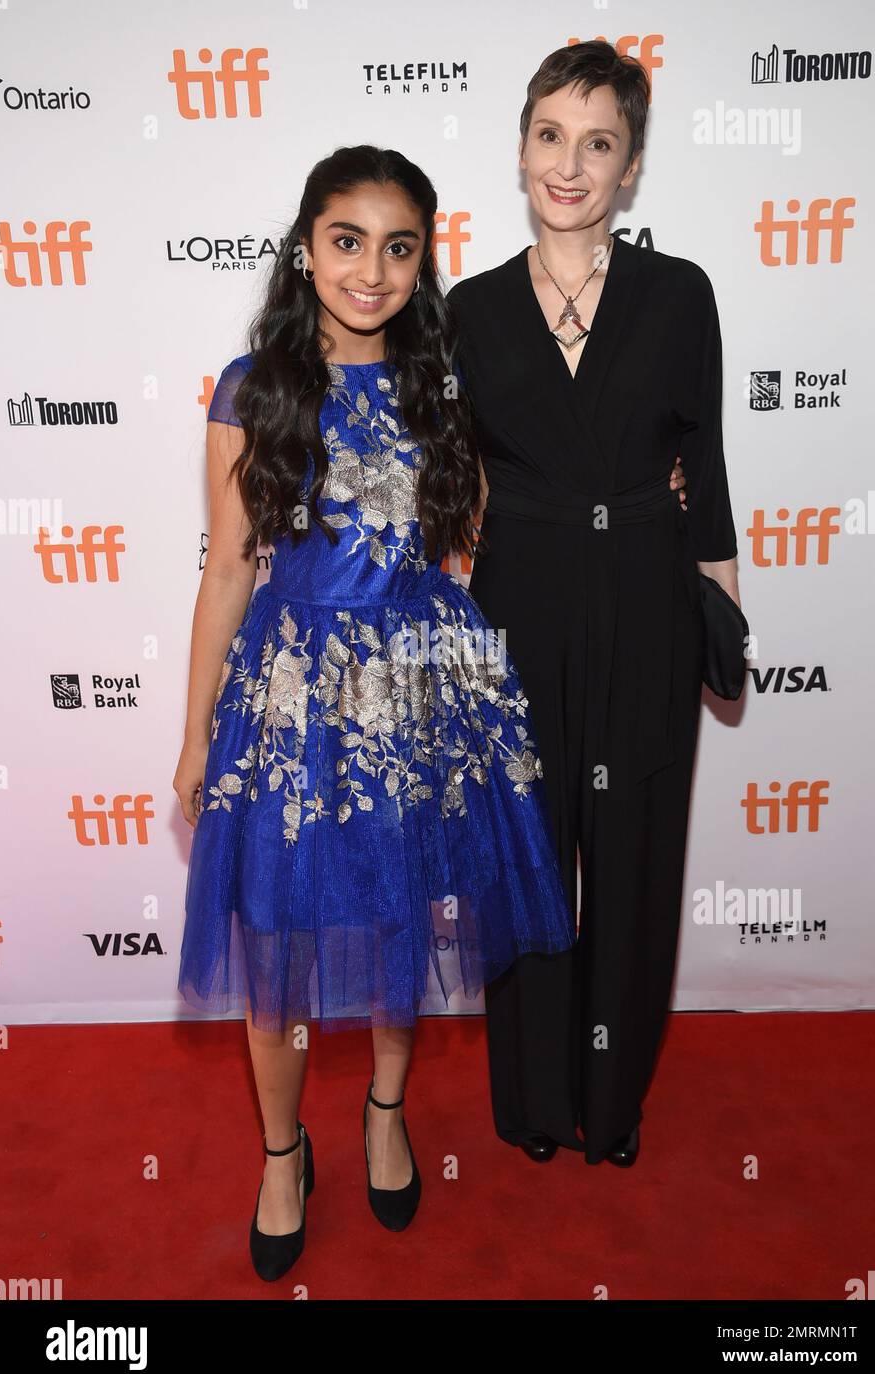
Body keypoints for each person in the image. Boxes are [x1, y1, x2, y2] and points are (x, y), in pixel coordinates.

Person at [172, 145, 578, 1280]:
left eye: (398, 246)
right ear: (306, 249)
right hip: (291, 692)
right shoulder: (251, 387)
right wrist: (197, 729)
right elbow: (226, 571)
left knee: (405, 919)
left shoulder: (443, 385)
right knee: (274, 937)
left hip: (415, 695)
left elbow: (482, 525)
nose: (371, 269)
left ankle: (386, 1116)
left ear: (419, 261)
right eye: (347, 241)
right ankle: (281, 1150)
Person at [444, 41, 740, 1168]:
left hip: (645, 602)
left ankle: (609, 1105)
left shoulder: (678, 294)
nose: (570, 164)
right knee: (524, 853)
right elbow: (448, 480)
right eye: (551, 136)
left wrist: (719, 606)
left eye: (599, 141)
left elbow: (704, 464)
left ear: (630, 166)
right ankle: (529, 1100)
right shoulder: (465, 309)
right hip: (514, 604)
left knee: (632, 850)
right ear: (521, 149)